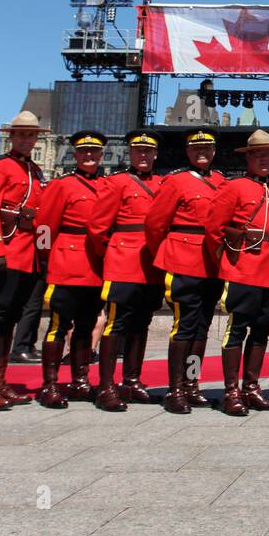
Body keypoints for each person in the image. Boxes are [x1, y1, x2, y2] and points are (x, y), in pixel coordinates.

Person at [204, 129, 269, 416]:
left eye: (268, 154)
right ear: (249, 157)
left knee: (262, 329)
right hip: (244, 267)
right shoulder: (234, 187)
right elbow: (214, 230)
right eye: (259, 155)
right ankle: (231, 391)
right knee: (237, 328)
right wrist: (226, 263)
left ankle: (251, 388)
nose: (264, 159)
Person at [144, 130, 227, 414]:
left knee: (202, 327)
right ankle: (175, 389)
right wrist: (167, 253)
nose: (201, 152)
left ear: (214, 151)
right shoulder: (176, 181)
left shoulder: (221, 182)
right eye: (196, 148)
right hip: (183, 258)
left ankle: (192, 384)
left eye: (207, 147)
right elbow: (155, 225)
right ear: (187, 151)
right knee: (184, 326)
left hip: (211, 264)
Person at [0, 110, 47, 410]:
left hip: (27, 255)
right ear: (11, 136)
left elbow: (41, 217)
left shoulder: (36, 171)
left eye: (32, 135)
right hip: (5, 250)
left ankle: (0, 381)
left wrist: (44, 252)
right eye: (22, 134)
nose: (27, 140)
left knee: (11, 317)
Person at [87, 130, 165, 410]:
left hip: (151, 264)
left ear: (155, 154)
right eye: (138, 151)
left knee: (141, 324)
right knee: (116, 324)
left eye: (148, 151)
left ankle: (132, 381)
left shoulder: (161, 184)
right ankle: (106, 387)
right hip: (123, 262)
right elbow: (98, 228)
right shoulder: (116, 183)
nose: (143, 155)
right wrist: (110, 254)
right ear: (129, 153)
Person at [33, 131, 109, 408]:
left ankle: (80, 381)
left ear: (102, 155)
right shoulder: (62, 185)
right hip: (65, 261)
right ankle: (50, 385)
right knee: (58, 325)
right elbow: (44, 226)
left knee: (87, 325)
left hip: (95, 264)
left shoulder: (107, 185)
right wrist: (45, 258)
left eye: (95, 152)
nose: (89, 156)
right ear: (75, 155)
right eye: (84, 152)